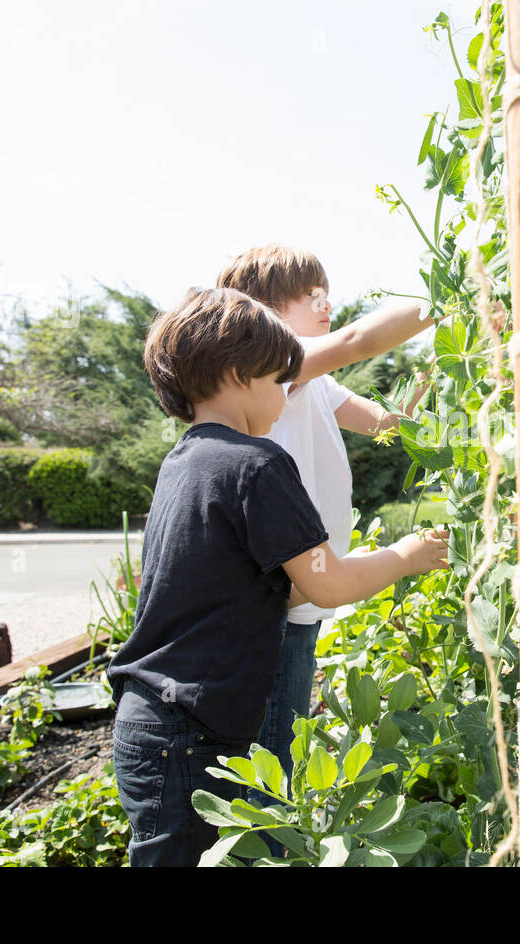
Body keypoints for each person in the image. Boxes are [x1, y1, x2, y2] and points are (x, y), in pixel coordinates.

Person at [107, 287, 448, 867]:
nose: (285, 395)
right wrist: (408, 555)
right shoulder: (257, 464)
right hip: (187, 736)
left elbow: (268, 581)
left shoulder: (188, 460)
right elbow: (327, 584)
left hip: (161, 724)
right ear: (241, 374)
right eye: (277, 382)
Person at [215, 245, 433, 785]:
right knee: (270, 762)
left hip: (305, 593)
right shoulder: (272, 367)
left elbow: (389, 423)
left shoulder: (316, 382)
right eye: (310, 295)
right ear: (260, 314)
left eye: (326, 292)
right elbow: (357, 341)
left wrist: (439, 363)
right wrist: (451, 295)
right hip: (278, 602)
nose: (326, 303)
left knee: (278, 744)